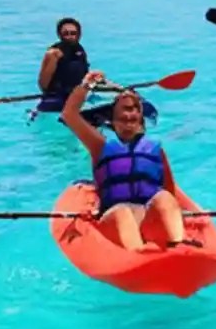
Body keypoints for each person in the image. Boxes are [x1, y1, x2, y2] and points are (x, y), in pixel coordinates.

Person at [60, 70, 199, 252]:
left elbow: (170, 192)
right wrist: (86, 84)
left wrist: (184, 218)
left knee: (164, 198)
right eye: (123, 113)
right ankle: (138, 254)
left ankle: (178, 244)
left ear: (141, 121)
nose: (128, 116)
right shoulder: (100, 146)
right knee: (122, 212)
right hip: (114, 217)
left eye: (134, 110)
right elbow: (69, 114)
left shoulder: (155, 149)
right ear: (113, 122)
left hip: (147, 215)